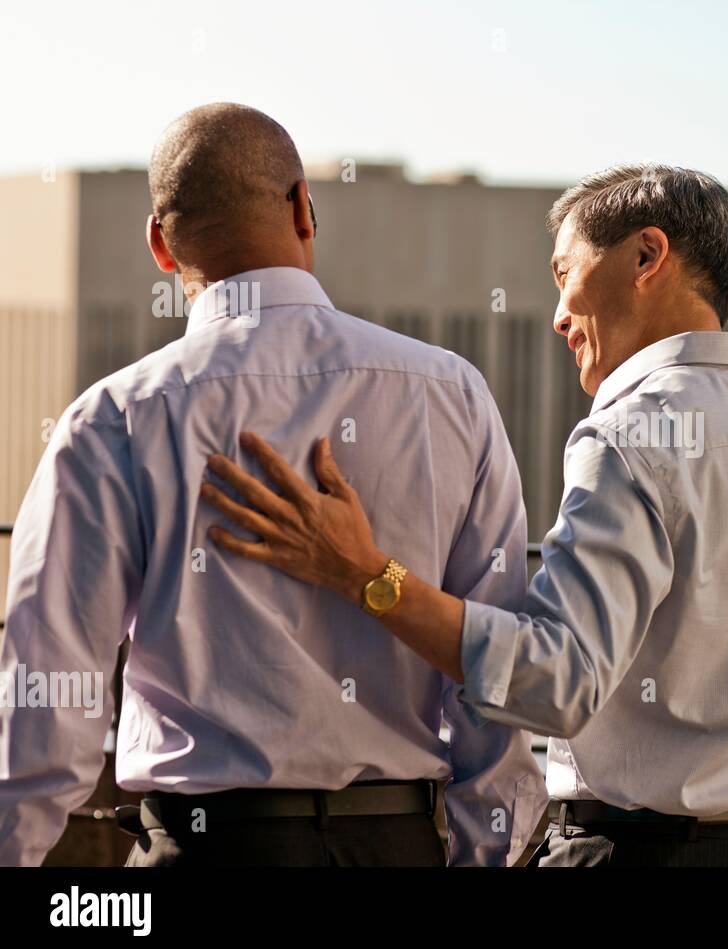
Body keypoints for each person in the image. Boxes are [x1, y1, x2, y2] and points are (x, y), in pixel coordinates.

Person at [204, 163, 728, 866]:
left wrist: (369, 575)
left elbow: (558, 683)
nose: (559, 314)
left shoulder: (627, 437)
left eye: (565, 273)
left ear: (646, 256)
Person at [0, 103, 545, 867]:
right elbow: (492, 663)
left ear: (160, 244)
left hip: (203, 847)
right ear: (302, 209)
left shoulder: (114, 418)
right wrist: (486, 852)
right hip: (392, 842)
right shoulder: (450, 393)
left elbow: (49, 693)